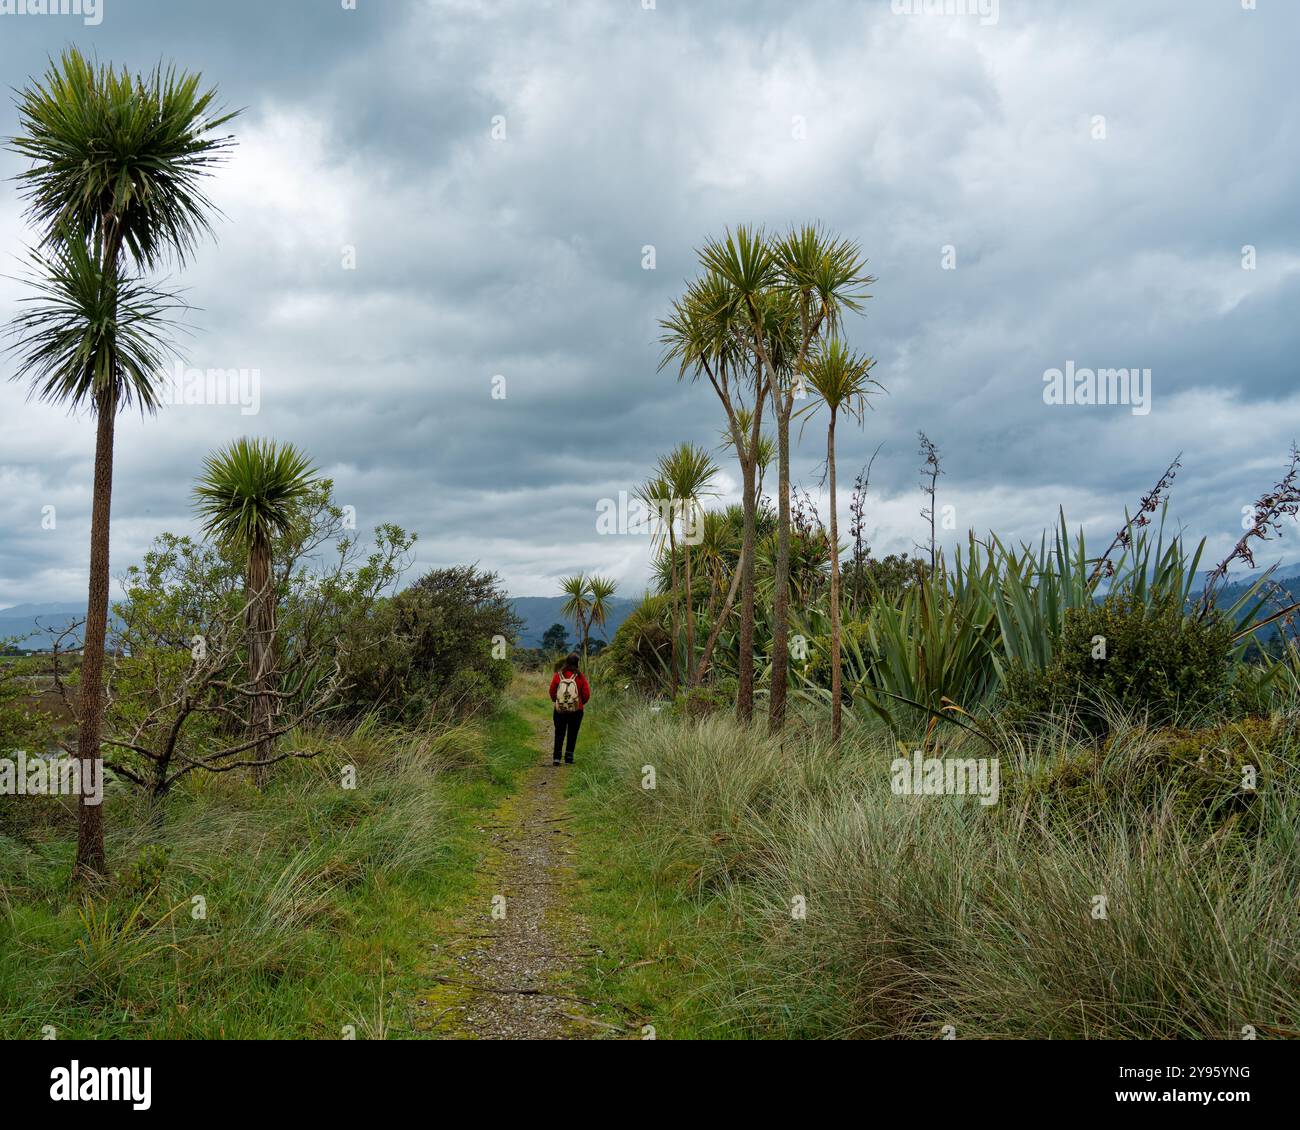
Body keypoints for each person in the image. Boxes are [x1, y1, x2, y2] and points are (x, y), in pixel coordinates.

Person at [548, 652, 591, 765]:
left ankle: (556, 758)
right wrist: (579, 703)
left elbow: (552, 691)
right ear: (577, 663)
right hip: (576, 710)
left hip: (560, 710)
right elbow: (586, 694)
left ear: (566, 661)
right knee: (573, 733)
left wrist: (557, 701)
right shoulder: (580, 677)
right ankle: (569, 758)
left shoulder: (558, 675)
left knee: (559, 733)